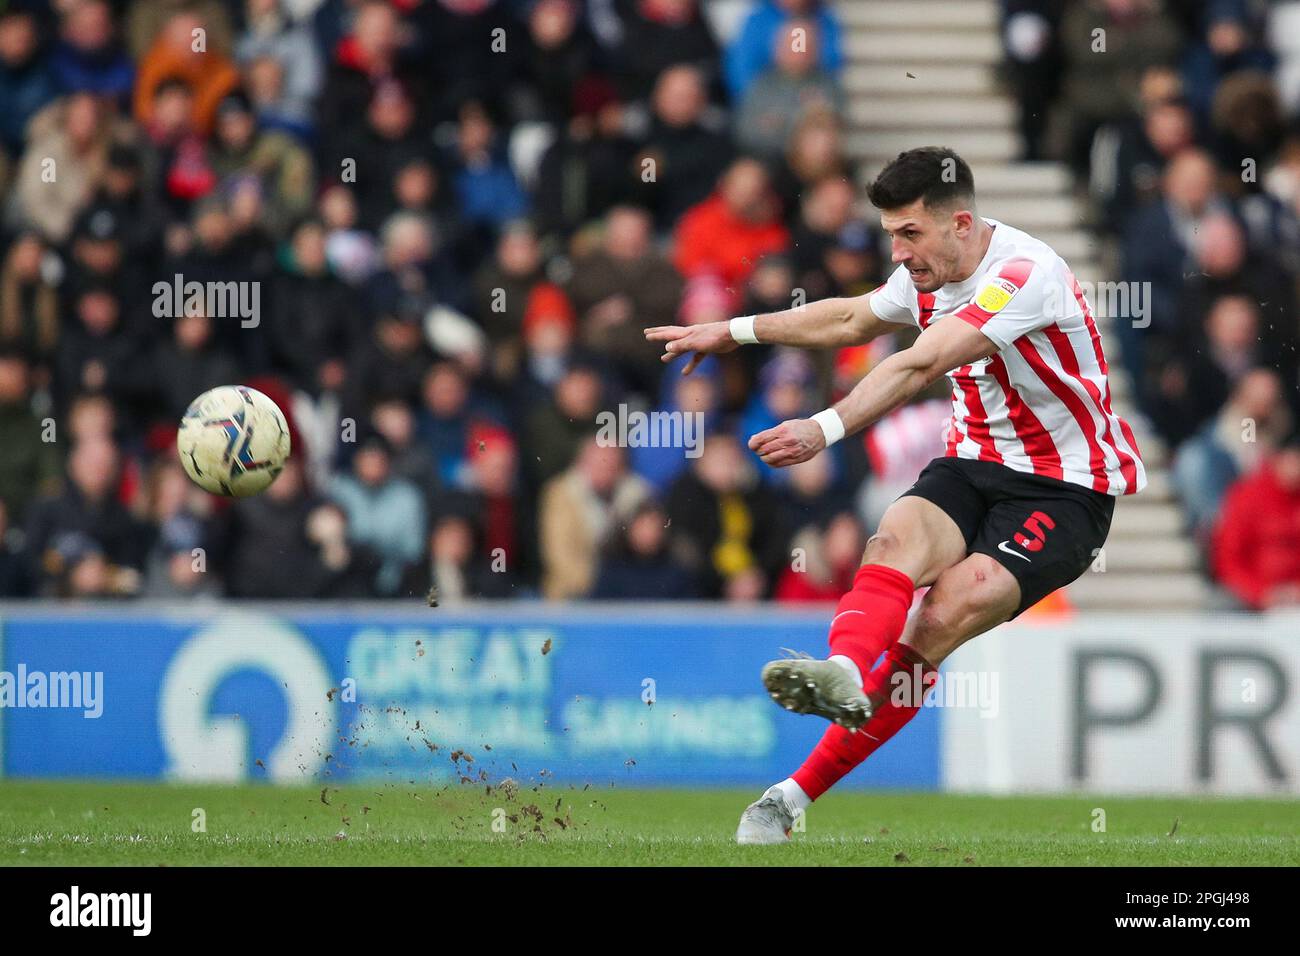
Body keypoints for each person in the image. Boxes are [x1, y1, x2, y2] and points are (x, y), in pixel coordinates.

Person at [646, 146, 1145, 843]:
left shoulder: (1023, 276)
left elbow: (920, 362)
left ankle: (789, 798)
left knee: (943, 611)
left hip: (1065, 490)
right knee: (893, 539)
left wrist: (825, 427)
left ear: (960, 223)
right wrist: (733, 331)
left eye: (909, 233)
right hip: (975, 461)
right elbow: (852, 320)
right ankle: (845, 669)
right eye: (890, 235)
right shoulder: (928, 271)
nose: (898, 251)